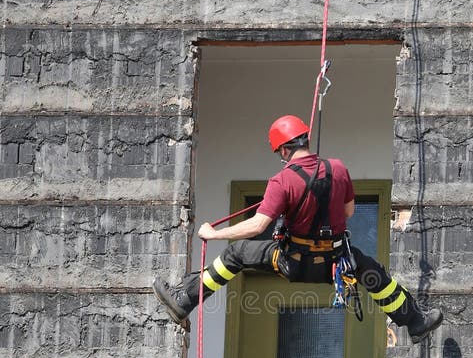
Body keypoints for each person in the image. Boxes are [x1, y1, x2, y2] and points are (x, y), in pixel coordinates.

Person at [153, 115, 443, 342]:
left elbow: (258, 225)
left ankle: (185, 299)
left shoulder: (282, 181)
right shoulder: (338, 169)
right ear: (306, 140)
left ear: (284, 149)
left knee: (236, 254)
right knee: (373, 273)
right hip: (336, 264)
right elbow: (349, 211)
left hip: (292, 263)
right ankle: (415, 321)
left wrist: (214, 234)